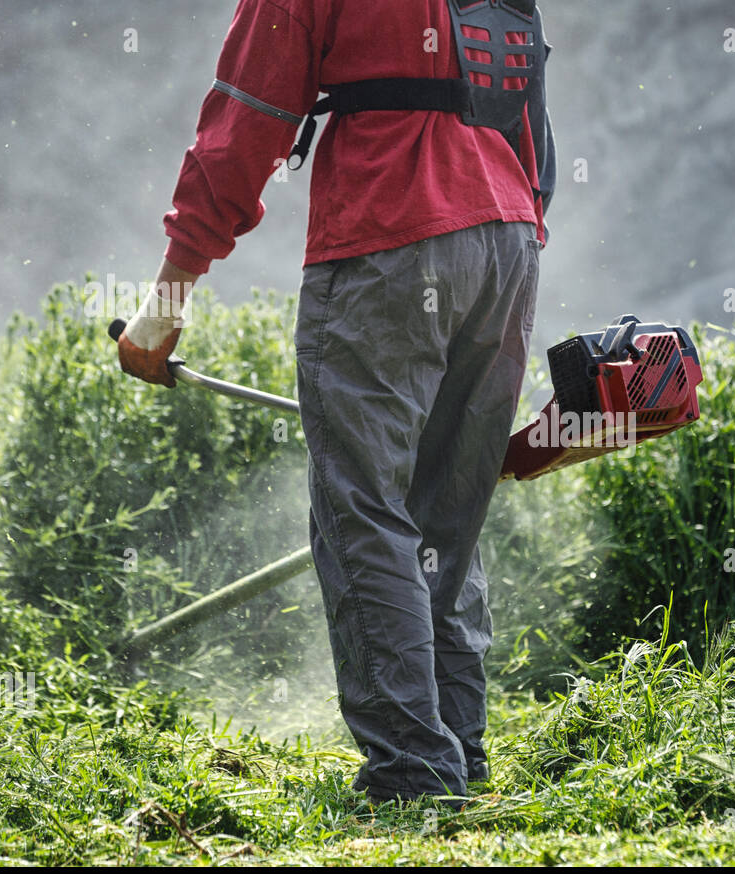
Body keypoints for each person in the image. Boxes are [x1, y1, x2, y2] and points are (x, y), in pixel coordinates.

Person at [116, 0, 555, 805]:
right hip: (509, 239)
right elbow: (531, 111)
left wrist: (167, 300)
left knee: (365, 510)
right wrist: (503, 252)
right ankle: (458, 750)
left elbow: (247, 120)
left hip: (390, 234)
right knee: (445, 513)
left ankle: (415, 777)